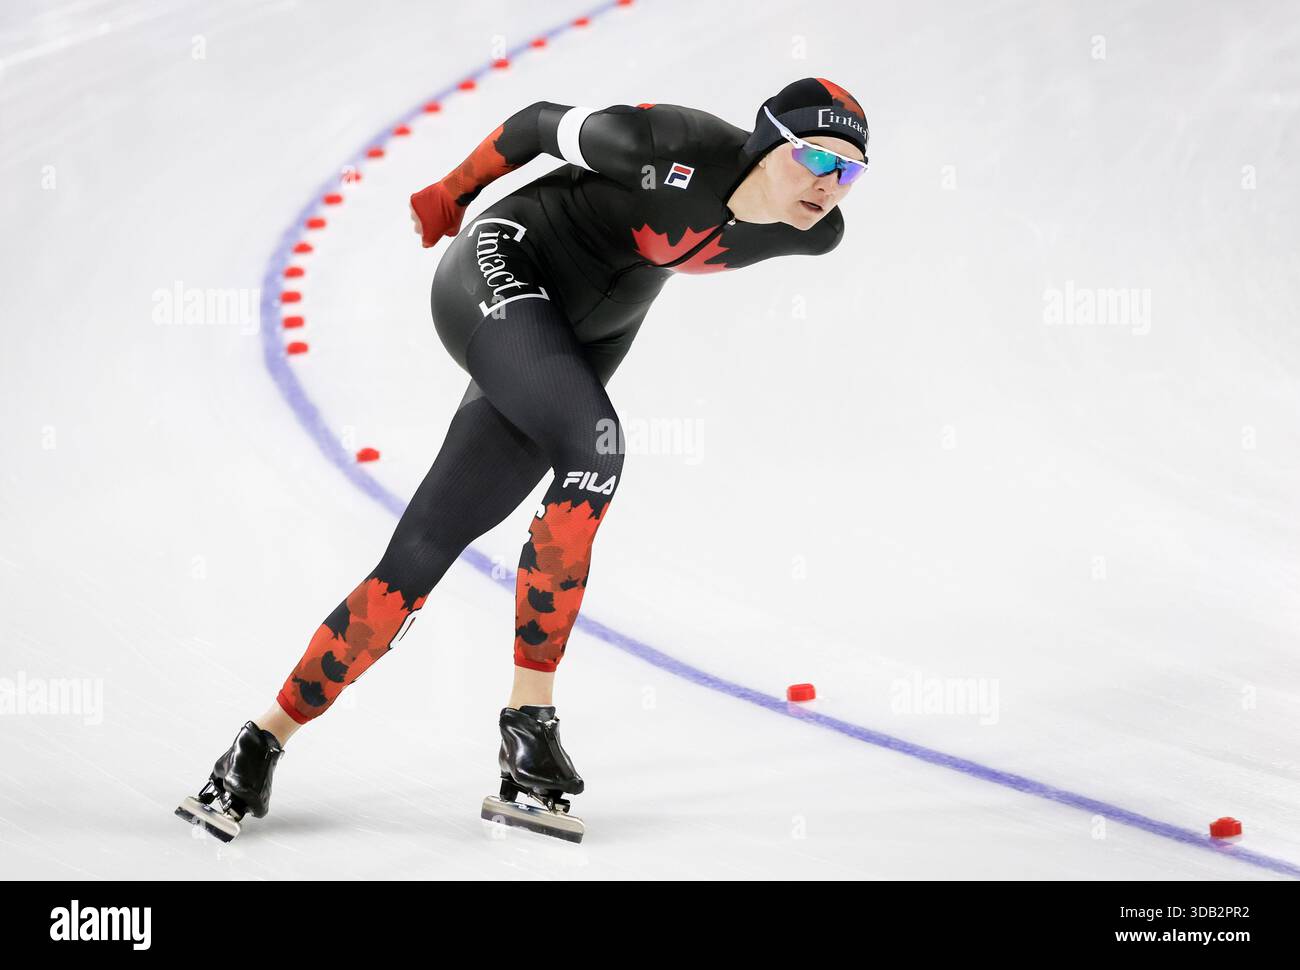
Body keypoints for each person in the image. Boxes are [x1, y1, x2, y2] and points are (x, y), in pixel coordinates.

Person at [176, 77, 869, 843]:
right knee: (597, 447)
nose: (830, 185)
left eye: (850, 171)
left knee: (423, 549)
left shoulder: (813, 232)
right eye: (816, 157)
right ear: (769, 142)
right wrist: (451, 189)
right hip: (500, 270)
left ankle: (257, 743)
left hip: (582, 340)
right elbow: (539, 122)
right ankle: (529, 723)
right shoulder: (667, 147)